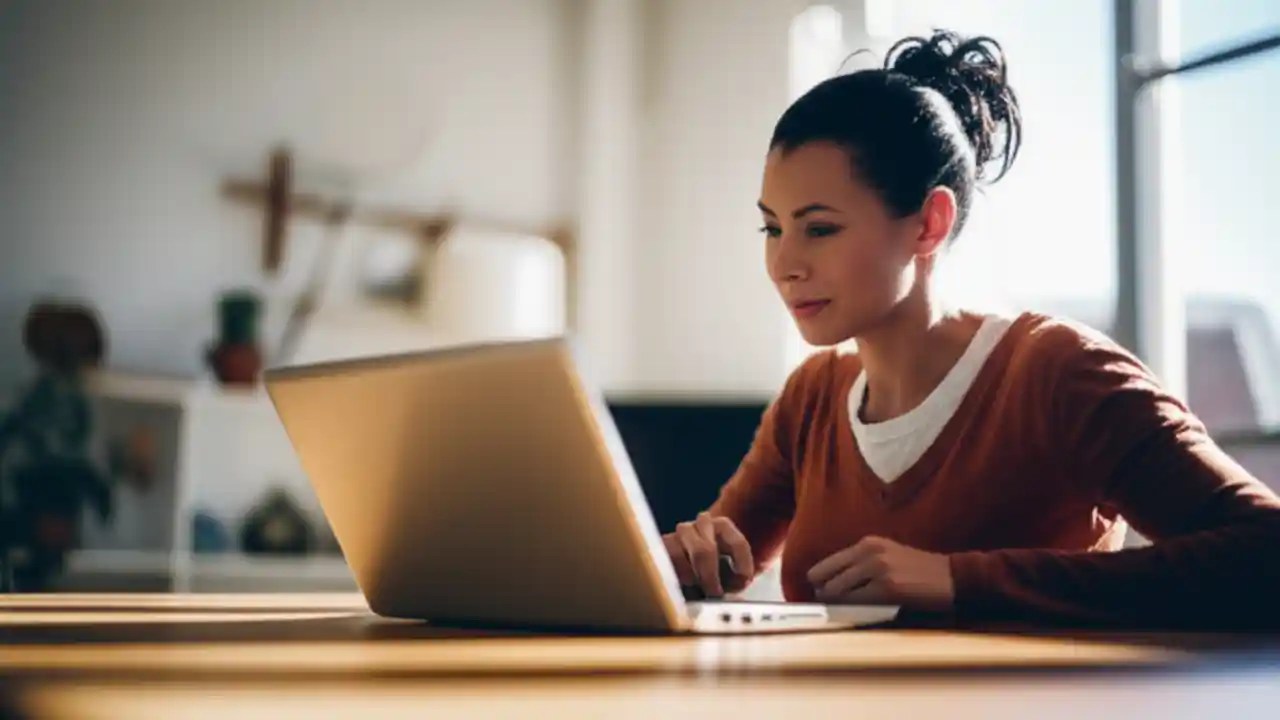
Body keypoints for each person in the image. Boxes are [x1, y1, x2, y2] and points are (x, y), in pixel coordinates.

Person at [662, 30, 1280, 629]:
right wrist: (685, 560)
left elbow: (1263, 552)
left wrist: (958, 581)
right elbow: (715, 560)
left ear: (929, 224)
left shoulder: (1060, 374)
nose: (784, 264)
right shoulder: (812, 399)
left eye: (819, 228)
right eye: (772, 228)